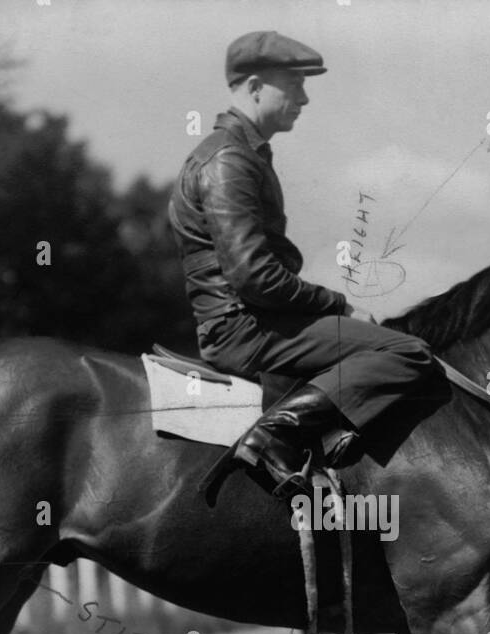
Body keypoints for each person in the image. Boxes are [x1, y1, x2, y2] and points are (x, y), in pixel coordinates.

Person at [168, 30, 442, 498]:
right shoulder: (229, 160)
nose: (305, 98)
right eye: (292, 85)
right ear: (255, 88)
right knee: (406, 353)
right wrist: (339, 306)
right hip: (246, 329)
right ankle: (272, 436)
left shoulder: (239, 154)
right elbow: (255, 277)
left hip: (250, 322)